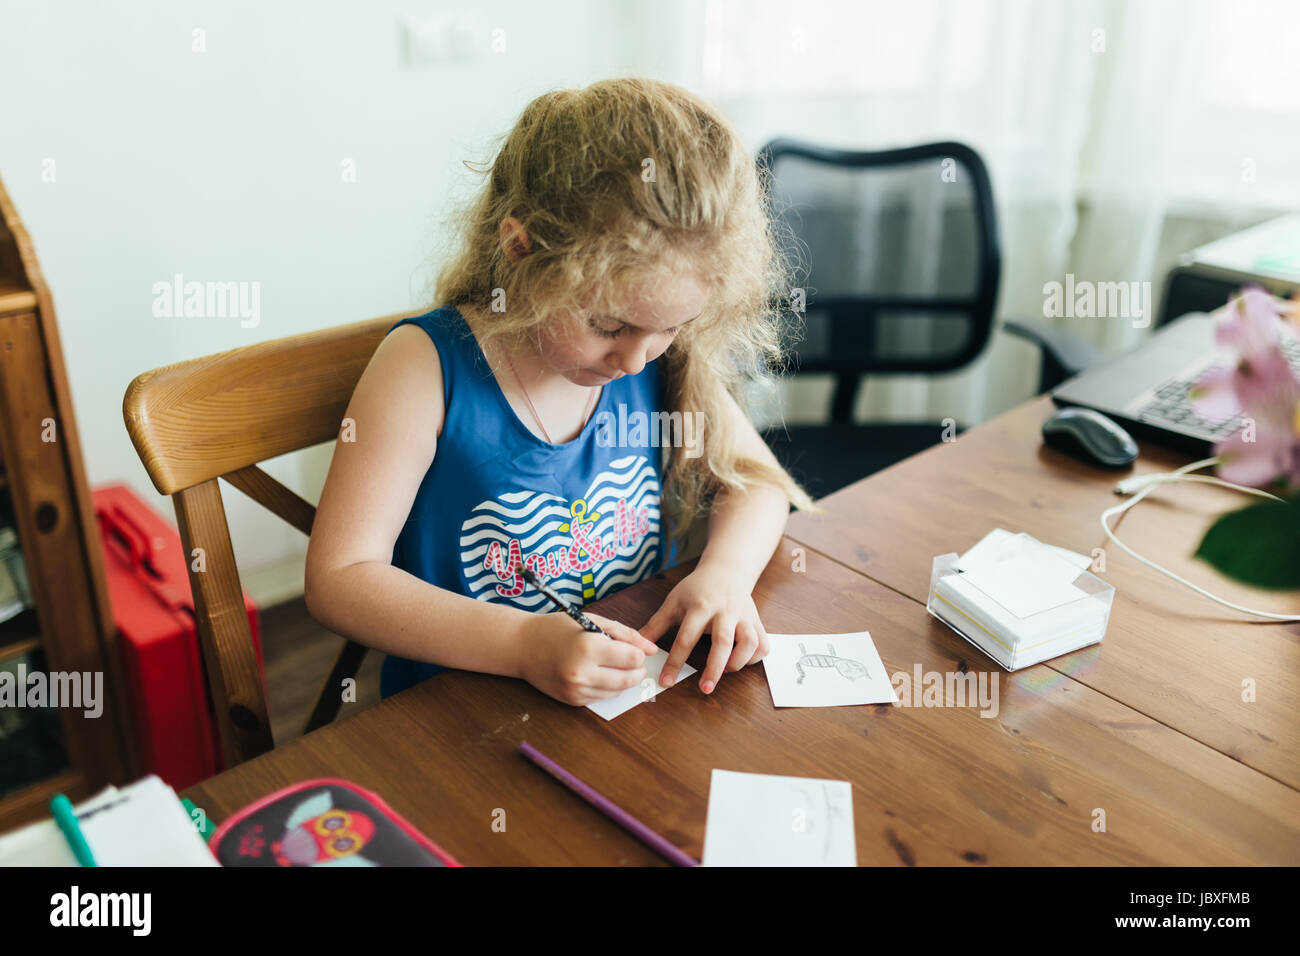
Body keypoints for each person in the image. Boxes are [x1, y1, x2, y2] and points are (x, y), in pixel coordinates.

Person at [305, 77, 821, 706]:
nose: (635, 360)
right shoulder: (424, 368)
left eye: (671, 327)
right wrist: (524, 644)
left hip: (628, 698)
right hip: (462, 710)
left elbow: (757, 482)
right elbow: (341, 578)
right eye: (608, 325)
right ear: (521, 251)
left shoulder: (661, 355)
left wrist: (724, 577)